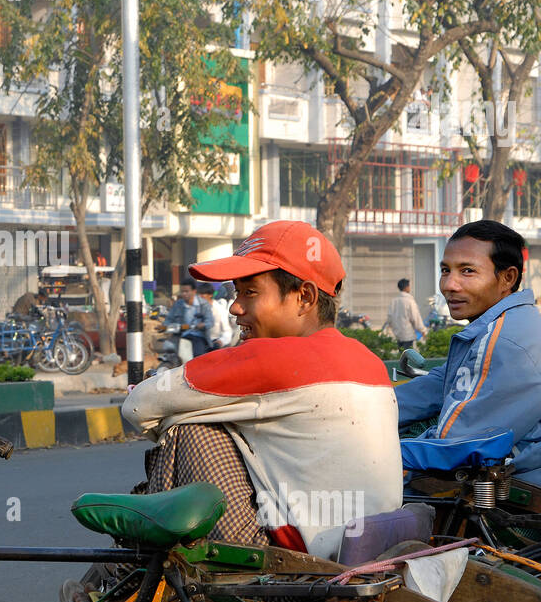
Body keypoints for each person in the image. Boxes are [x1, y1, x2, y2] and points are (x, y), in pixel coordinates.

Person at [121, 221, 403, 558]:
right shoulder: (370, 361)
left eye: (249, 293)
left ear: (304, 297)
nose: (235, 307)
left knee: (190, 429)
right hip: (369, 555)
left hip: (298, 570)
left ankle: (142, 573)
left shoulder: (272, 357)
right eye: (235, 292)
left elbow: (137, 406)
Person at [395, 220, 541, 498]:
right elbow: (441, 383)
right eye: (445, 270)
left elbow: (456, 444)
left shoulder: (506, 340)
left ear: (507, 278)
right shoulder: (502, 325)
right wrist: (368, 409)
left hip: (537, 492)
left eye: (467, 271)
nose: (449, 284)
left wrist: (374, 451)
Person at [164, 279, 214, 358]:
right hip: (181, 335)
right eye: (182, 291)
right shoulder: (178, 304)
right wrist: (165, 326)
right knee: (169, 351)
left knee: (198, 357)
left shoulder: (203, 304)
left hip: (198, 336)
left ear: (194, 291)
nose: (184, 294)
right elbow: (169, 319)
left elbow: (210, 321)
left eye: (186, 291)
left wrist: (202, 325)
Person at [387, 277, 425, 350]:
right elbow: (415, 318)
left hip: (397, 334)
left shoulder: (393, 301)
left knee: (401, 356)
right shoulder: (409, 301)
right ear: (406, 287)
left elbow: (389, 318)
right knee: (408, 356)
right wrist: (423, 330)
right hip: (408, 334)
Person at [198, 281, 235, 349]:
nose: (200, 297)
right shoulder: (195, 308)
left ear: (210, 295)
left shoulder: (220, 310)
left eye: (203, 294)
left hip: (214, 343)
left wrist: (220, 342)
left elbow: (227, 332)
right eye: (199, 294)